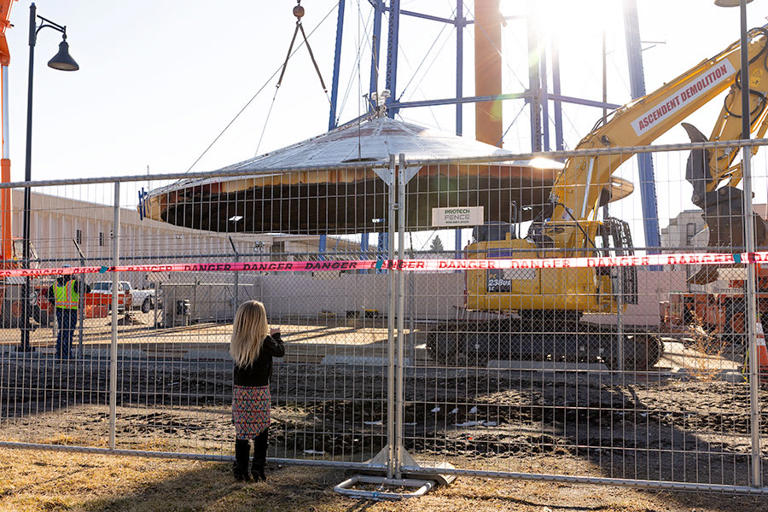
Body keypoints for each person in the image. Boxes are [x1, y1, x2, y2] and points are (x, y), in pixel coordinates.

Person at [229, 300, 284, 482]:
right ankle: (258, 470)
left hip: (241, 393)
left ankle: (241, 471)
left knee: (242, 434)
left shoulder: (238, 342)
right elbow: (280, 351)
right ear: (261, 320)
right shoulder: (266, 341)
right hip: (260, 392)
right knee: (262, 433)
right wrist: (276, 336)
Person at [47, 270, 90, 359]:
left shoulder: (56, 283)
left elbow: (48, 294)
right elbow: (88, 289)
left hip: (60, 310)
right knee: (68, 332)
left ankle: (59, 353)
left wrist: (55, 302)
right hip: (71, 310)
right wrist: (78, 280)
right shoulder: (74, 283)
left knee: (62, 332)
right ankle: (67, 354)